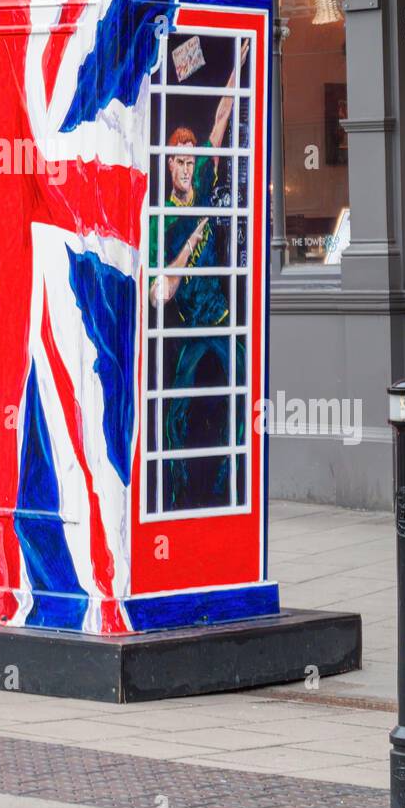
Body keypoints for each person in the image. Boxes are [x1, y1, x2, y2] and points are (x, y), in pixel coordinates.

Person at [148, 41, 248, 498]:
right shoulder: (163, 218)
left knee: (239, 408)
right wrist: (189, 244)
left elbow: (222, 119)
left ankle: (227, 492)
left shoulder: (206, 176)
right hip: (188, 330)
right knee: (175, 416)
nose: (186, 168)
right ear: (169, 167)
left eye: (190, 160)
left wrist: (239, 67)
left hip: (224, 321)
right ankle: (177, 496)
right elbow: (160, 294)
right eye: (179, 161)